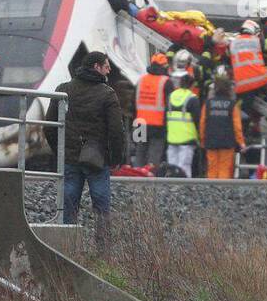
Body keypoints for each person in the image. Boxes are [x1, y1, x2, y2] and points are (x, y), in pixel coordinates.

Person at [44, 52, 125, 238]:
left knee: (69, 204)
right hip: (97, 159)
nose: (109, 69)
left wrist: (61, 151)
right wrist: (115, 158)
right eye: (106, 66)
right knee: (101, 206)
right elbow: (116, 131)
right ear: (96, 67)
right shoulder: (107, 94)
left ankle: (67, 246)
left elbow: (49, 125)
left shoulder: (63, 90)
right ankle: (103, 249)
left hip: (70, 158)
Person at [199, 75, 245, 179]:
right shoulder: (232, 105)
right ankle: (222, 193)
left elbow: (202, 123)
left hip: (210, 140)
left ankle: (211, 192)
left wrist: (202, 140)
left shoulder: (208, 104)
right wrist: (241, 142)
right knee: (224, 168)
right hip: (227, 141)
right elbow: (237, 126)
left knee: (212, 168)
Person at [131, 52, 171, 168]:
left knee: (140, 153)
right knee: (154, 157)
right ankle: (152, 183)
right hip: (158, 126)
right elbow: (169, 106)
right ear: (164, 66)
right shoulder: (166, 82)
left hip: (140, 124)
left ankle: (136, 183)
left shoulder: (141, 80)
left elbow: (133, 103)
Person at [165, 73, 202, 177]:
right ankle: (185, 192)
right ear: (192, 85)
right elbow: (197, 120)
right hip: (187, 139)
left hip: (172, 138)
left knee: (172, 169)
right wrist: (199, 137)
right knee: (184, 168)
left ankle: (171, 191)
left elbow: (165, 116)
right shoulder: (192, 98)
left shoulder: (171, 96)